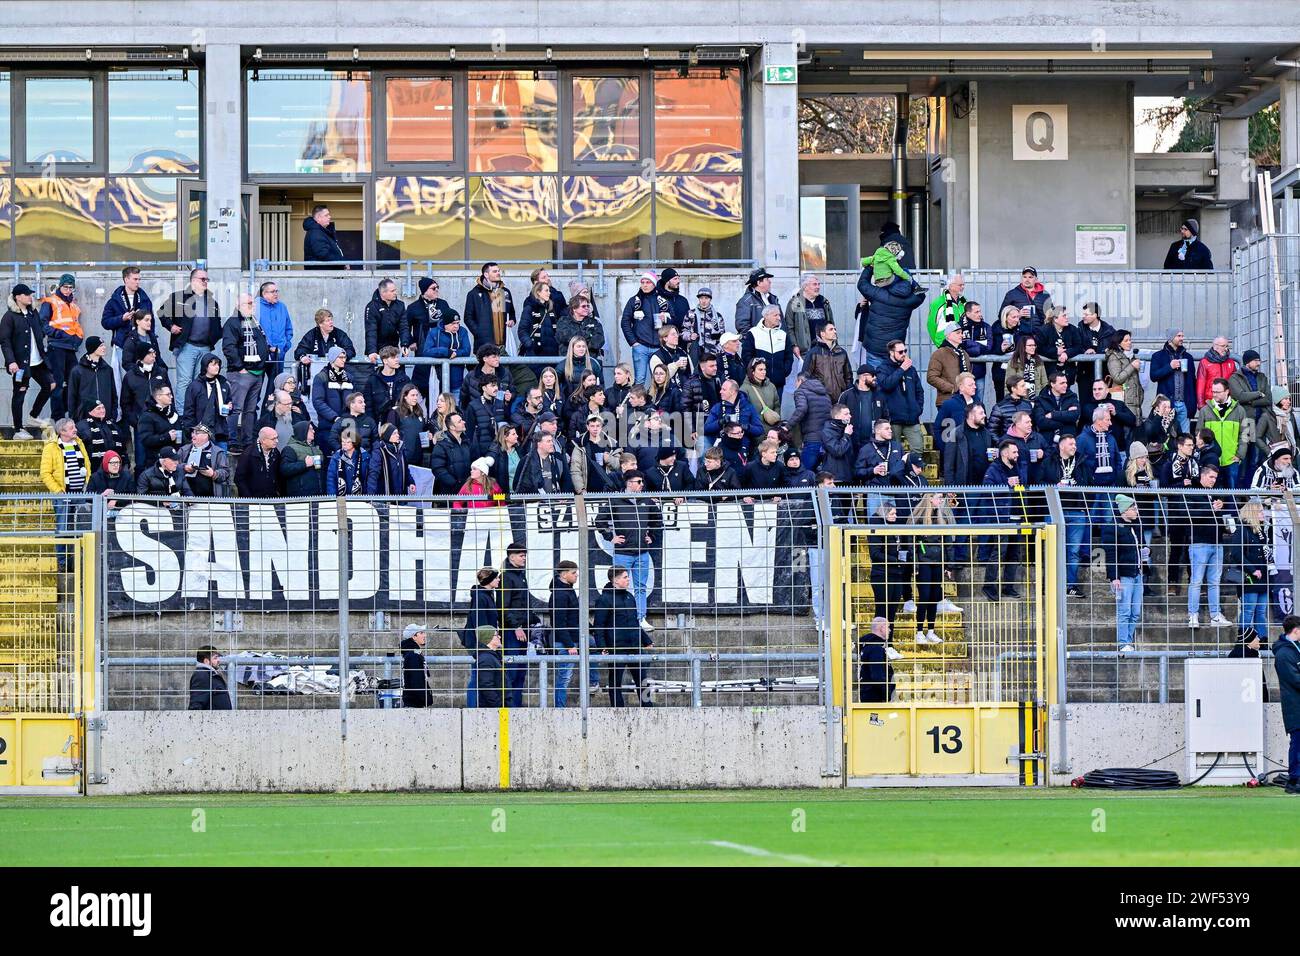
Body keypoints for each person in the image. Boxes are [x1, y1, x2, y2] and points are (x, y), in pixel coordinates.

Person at [595, 471, 662, 632]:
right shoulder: (616, 500)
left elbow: (657, 520)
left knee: (640, 586)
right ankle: (621, 619)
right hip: (622, 553)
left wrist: (651, 536)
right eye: (638, 482)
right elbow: (599, 520)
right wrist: (611, 537)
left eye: (642, 481)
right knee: (619, 586)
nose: (642, 484)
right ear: (629, 483)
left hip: (641, 553)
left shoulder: (647, 500)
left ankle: (640, 618)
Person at [158, 267, 220, 417]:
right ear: (193, 281)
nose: (205, 282)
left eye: (207, 279)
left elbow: (217, 324)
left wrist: (215, 336)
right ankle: (182, 415)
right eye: (202, 279)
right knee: (185, 382)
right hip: (187, 346)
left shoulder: (211, 301)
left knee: (202, 383)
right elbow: (161, 313)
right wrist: (171, 326)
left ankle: (198, 414)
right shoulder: (179, 297)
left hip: (205, 348)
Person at [594, 566, 654, 707]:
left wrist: (646, 640)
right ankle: (617, 709)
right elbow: (599, 626)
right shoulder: (604, 599)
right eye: (625, 577)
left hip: (634, 645)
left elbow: (634, 623)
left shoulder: (630, 597)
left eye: (628, 577)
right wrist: (602, 647)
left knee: (642, 679)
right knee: (615, 681)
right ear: (615, 580)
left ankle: (648, 708)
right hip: (616, 646)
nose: (628, 580)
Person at [220, 292, 272, 452]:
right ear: (238, 304)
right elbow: (229, 347)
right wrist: (240, 367)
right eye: (248, 303)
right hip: (241, 373)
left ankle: (248, 442)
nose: (252, 306)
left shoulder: (254, 322)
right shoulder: (233, 322)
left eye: (253, 303)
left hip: (257, 372)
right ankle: (232, 441)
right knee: (236, 408)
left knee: (250, 410)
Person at [1185, 464, 1234, 629]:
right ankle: (1193, 615)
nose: (1214, 481)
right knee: (1196, 581)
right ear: (1202, 476)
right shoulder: (1192, 491)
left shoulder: (1215, 493)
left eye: (1215, 478)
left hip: (1217, 542)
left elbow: (1215, 516)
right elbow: (1190, 515)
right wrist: (1211, 508)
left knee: (1214, 582)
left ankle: (1215, 615)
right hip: (1199, 542)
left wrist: (1221, 511)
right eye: (1211, 477)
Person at [1, 282, 53, 437]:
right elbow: (4, 341)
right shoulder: (9, 316)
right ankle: (18, 429)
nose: (31, 297)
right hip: (20, 365)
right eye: (27, 294)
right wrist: (11, 361)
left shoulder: (33, 313)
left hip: (37, 361)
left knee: (50, 384)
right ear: (18, 297)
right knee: (20, 393)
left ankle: (33, 416)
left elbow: (40, 332)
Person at [856, 261, 926, 372]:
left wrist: (870, 267)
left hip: (874, 348)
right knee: (893, 383)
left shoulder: (878, 294)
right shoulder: (909, 300)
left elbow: (862, 284)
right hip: (894, 350)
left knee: (876, 383)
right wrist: (910, 280)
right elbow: (921, 293)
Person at [909, 492, 958, 646]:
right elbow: (911, 544)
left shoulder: (941, 516)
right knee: (924, 597)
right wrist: (914, 564)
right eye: (939, 497)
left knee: (933, 598)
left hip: (938, 562)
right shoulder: (918, 519)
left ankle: (930, 630)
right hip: (923, 563)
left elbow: (948, 542)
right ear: (930, 499)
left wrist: (949, 565)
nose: (941, 500)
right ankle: (919, 632)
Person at [1099, 494, 1146, 654]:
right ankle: (1123, 642)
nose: (1137, 511)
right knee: (1124, 611)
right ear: (1124, 510)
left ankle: (1129, 640)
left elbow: (1142, 547)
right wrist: (1114, 577)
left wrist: (1147, 552)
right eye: (1133, 508)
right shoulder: (1112, 528)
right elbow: (1111, 554)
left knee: (1136, 612)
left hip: (1137, 573)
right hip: (1125, 575)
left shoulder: (1136, 525)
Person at [100, 266, 154, 390]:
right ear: (126, 279)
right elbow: (105, 322)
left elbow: (152, 323)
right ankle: (121, 409)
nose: (138, 282)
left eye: (139, 279)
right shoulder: (114, 300)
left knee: (144, 380)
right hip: (122, 344)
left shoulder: (145, 299)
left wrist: (151, 340)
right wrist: (121, 318)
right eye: (135, 279)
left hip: (142, 344)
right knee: (122, 381)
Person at [1195, 378, 1251, 488]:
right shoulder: (1204, 411)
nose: (1214, 394)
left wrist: (1240, 455)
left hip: (1232, 460)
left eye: (1218, 392)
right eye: (1213, 391)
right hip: (1211, 461)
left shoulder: (1240, 411)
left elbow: (1246, 434)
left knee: (1231, 496)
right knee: (1213, 496)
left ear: (1227, 391)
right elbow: (1198, 433)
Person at [867, 499, 908, 634]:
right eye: (892, 514)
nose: (895, 516)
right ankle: (879, 644)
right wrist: (895, 560)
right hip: (881, 574)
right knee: (882, 612)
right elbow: (875, 553)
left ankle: (889, 644)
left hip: (896, 574)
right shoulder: (876, 528)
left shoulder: (895, 528)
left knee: (892, 612)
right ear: (884, 514)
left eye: (895, 514)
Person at [876, 339, 924, 454]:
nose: (904, 354)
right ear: (892, 353)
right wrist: (901, 369)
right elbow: (886, 385)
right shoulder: (883, 368)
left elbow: (919, 391)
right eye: (900, 352)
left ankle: (912, 471)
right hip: (894, 419)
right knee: (894, 451)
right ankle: (898, 472)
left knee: (918, 448)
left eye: (905, 351)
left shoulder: (911, 370)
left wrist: (918, 409)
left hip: (912, 417)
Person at [1228, 349, 1271, 479]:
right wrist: (1258, 394)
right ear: (1247, 362)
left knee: (1257, 457)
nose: (1259, 363)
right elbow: (1240, 396)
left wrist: (1251, 402)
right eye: (1256, 360)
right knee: (1244, 456)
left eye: (1259, 360)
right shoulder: (1235, 377)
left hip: (1261, 422)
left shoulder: (1262, 377)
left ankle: (1255, 487)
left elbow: (1268, 399)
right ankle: (1243, 491)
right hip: (1246, 422)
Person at [1149, 327, 1197, 434]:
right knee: (1167, 435)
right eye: (1179, 336)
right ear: (1171, 338)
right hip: (1167, 404)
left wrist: (1193, 404)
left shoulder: (1188, 357)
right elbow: (1153, 376)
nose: (1182, 338)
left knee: (1185, 436)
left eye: (1182, 336)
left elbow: (1192, 382)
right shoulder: (1158, 356)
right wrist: (1169, 367)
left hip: (1184, 404)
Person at [621, 271, 665, 385]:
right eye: (642, 282)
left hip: (659, 348)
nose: (645, 285)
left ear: (654, 284)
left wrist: (665, 318)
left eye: (648, 282)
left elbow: (673, 319)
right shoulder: (634, 300)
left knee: (659, 381)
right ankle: (637, 402)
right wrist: (633, 342)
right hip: (641, 346)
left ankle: (657, 402)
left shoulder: (662, 300)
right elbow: (625, 322)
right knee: (640, 380)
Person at [180, 353, 233, 448]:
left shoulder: (223, 384)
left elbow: (229, 402)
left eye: (218, 364)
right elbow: (189, 410)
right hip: (201, 432)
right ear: (205, 366)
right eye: (213, 364)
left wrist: (230, 407)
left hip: (220, 432)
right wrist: (192, 431)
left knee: (221, 460)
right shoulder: (195, 386)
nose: (217, 367)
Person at [1273, 616, 1300, 793]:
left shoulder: (1294, 650)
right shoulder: (1284, 654)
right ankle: (1294, 780)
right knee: (1297, 744)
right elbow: (1294, 680)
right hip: (1294, 706)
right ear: (1296, 629)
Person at [549, 560, 581, 707]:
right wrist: (569, 645)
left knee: (594, 646)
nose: (577, 575)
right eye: (573, 573)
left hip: (572, 639)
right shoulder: (560, 594)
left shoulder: (568, 589)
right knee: (564, 677)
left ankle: (594, 681)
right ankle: (559, 709)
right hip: (565, 642)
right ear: (563, 574)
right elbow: (558, 623)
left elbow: (575, 616)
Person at [463, 262, 515, 350]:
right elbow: (468, 318)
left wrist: (512, 320)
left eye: (498, 271)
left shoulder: (505, 292)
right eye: (494, 271)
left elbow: (512, 313)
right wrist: (479, 333)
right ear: (486, 274)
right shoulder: (474, 294)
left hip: (504, 346)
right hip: (484, 346)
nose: (498, 273)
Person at [136, 384, 183, 477]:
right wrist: (166, 437)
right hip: (156, 463)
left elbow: (180, 434)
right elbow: (146, 440)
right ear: (158, 397)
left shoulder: (173, 413)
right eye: (168, 394)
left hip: (175, 461)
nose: (171, 396)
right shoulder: (147, 416)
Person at [942, 402, 993, 487]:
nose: (984, 415)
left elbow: (990, 459)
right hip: (964, 487)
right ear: (971, 416)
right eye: (981, 413)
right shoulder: (956, 434)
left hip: (985, 486)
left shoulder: (986, 434)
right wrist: (950, 487)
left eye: (984, 412)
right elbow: (948, 465)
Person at [787, 374, 831, 470]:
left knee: (804, 473)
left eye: (796, 382)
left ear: (800, 381)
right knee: (821, 476)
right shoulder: (825, 394)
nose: (795, 385)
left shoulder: (800, 391)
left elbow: (801, 409)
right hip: (826, 440)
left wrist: (787, 427)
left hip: (812, 439)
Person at [926, 321, 971, 409]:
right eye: (958, 333)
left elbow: (968, 375)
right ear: (948, 335)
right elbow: (931, 377)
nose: (961, 335)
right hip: (947, 400)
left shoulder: (964, 354)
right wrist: (952, 388)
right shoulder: (939, 353)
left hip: (965, 400)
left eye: (961, 333)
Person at [785, 273, 832, 358]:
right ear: (805, 287)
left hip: (824, 349)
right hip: (805, 351)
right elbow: (789, 327)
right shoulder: (796, 302)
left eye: (818, 284)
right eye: (814, 284)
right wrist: (794, 345)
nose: (818, 287)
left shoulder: (824, 302)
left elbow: (831, 323)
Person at [177, 424, 230, 497]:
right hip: (186, 499)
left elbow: (226, 473)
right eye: (192, 432)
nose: (193, 435)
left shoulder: (218, 452)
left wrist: (213, 474)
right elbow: (173, 468)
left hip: (210, 500)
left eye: (197, 433)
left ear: (206, 436)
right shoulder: (183, 450)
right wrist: (184, 467)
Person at [988, 304, 1027, 402]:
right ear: (1005, 318)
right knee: (1002, 398)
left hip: (1018, 369)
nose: (1017, 320)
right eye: (1013, 317)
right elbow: (990, 348)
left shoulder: (1021, 329)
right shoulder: (996, 329)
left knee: (1020, 398)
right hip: (1001, 370)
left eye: (1018, 317)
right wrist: (1000, 348)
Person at [839, 364, 882, 452]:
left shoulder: (878, 395)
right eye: (872, 375)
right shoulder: (847, 395)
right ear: (863, 377)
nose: (875, 378)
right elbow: (838, 418)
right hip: (851, 442)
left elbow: (885, 416)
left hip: (873, 442)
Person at [365, 346, 412, 425]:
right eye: (393, 358)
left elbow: (410, 401)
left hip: (401, 420)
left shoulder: (404, 379)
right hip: (379, 422)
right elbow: (368, 406)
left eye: (397, 357)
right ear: (385, 361)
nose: (397, 360)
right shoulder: (373, 380)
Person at [1104, 329, 1144, 421]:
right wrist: (1132, 366)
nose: (1129, 342)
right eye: (1126, 341)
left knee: (1135, 429)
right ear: (1118, 343)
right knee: (1126, 430)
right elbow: (1117, 378)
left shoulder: (1130, 356)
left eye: (1130, 340)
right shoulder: (1114, 357)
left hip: (1135, 401)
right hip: (1123, 400)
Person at [1032, 371, 1081, 445]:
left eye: (1066, 382)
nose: (1065, 385)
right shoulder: (1040, 399)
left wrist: (1053, 415)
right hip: (1048, 443)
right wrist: (1064, 421)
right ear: (1052, 384)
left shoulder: (1072, 397)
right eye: (1062, 383)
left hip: (1068, 442)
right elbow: (1041, 422)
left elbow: (1074, 415)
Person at [998, 266, 1052, 331]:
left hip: (1040, 334)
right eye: (1024, 277)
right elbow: (1001, 315)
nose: (1027, 280)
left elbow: (1051, 314)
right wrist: (1018, 315)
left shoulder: (1045, 295)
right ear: (1021, 278)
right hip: (1019, 334)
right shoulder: (1012, 294)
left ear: (1036, 279)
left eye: (1030, 277)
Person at [430, 412, 473, 494]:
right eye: (460, 421)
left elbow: (474, 462)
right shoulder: (442, 445)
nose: (464, 422)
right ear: (452, 427)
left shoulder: (467, 442)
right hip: (450, 492)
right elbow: (437, 468)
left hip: (468, 490)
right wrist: (454, 483)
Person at [366, 422, 413, 495]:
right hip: (385, 498)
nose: (398, 435)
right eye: (394, 433)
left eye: (397, 433)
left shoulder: (401, 450)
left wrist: (410, 482)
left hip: (401, 497)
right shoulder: (379, 452)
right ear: (387, 435)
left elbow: (406, 470)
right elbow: (373, 475)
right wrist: (370, 496)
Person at [364, 279, 405, 362]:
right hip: (378, 350)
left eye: (395, 290)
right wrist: (372, 351)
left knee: (398, 373)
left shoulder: (400, 305)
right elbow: (371, 331)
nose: (395, 293)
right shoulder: (372, 307)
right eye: (392, 291)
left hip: (394, 348)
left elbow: (404, 326)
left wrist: (405, 344)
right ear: (383, 293)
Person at [856, 617, 896, 703]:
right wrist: (887, 695)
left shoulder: (867, 646)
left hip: (869, 695)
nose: (890, 630)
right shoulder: (875, 648)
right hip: (876, 698)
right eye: (888, 627)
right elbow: (877, 676)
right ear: (882, 628)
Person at [556, 293, 605, 361]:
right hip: (568, 361)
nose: (587, 308)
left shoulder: (594, 322)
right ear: (574, 308)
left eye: (588, 306)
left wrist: (582, 344)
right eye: (583, 306)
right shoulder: (563, 321)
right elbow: (565, 337)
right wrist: (588, 336)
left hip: (589, 361)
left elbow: (599, 341)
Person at [281, 420, 325, 496]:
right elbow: (285, 469)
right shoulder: (290, 448)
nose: (314, 431)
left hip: (319, 493)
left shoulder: (316, 448)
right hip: (300, 496)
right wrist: (305, 464)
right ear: (303, 431)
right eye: (311, 429)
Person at [236, 427, 283, 498]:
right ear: (263, 440)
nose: (277, 441)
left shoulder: (276, 453)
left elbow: (278, 476)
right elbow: (239, 479)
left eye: (277, 438)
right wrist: (249, 498)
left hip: (272, 498)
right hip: (253, 500)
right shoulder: (248, 454)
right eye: (273, 439)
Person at [734, 267, 780, 336]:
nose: (770, 282)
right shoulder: (746, 301)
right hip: (757, 344)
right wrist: (754, 341)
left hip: (776, 343)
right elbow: (742, 327)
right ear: (759, 283)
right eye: (767, 279)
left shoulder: (773, 299)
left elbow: (781, 321)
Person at [684, 287, 725, 364]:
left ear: (710, 299)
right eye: (701, 298)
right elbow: (683, 332)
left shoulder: (717, 316)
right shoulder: (691, 314)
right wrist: (690, 336)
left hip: (712, 355)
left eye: (706, 298)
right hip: (695, 353)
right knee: (695, 374)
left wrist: (718, 351)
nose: (703, 301)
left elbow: (722, 337)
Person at [1195, 336, 1237, 411]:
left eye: (1227, 346)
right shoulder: (1205, 362)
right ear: (1215, 346)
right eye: (1223, 346)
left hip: (1227, 402)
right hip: (1210, 402)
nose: (1226, 349)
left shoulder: (1231, 362)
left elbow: (1235, 383)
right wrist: (1201, 404)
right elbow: (1200, 384)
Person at [1257, 386, 1300, 458]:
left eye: (1289, 399)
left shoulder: (1291, 415)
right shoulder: (1267, 416)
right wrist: (1269, 452)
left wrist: (1297, 449)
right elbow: (1257, 437)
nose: (1289, 401)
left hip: (1291, 455)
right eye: (1285, 399)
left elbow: (1296, 436)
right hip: (1275, 457)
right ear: (1278, 400)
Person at [926, 274, 967, 348]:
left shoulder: (964, 302)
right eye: (960, 285)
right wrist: (939, 344)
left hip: (962, 344)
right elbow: (931, 326)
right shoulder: (938, 303)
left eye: (963, 285)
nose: (963, 287)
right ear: (951, 286)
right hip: (945, 346)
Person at [326, 428, 369, 497]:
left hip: (361, 499)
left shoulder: (365, 457)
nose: (344, 444)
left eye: (348, 442)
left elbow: (367, 479)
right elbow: (331, 479)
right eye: (343, 441)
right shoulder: (336, 457)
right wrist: (332, 498)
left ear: (355, 443)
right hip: (341, 499)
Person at [988, 373, 1032, 439]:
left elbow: (1033, 428)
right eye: (1022, 386)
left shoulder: (1028, 405)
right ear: (1013, 389)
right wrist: (1003, 445)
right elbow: (992, 431)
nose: (1025, 388)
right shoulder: (999, 407)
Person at [399, 623, 432, 708]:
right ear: (414, 637)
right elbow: (416, 681)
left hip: (414, 704)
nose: (425, 635)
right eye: (421, 633)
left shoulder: (413, 654)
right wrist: (426, 699)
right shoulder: (413, 656)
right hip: (415, 706)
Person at [473, 625, 506, 709]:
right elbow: (486, 686)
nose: (500, 636)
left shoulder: (493, 656)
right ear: (488, 638)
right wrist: (499, 706)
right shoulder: (486, 659)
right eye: (496, 635)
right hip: (494, 711)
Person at [1006, 335, 1048, 401]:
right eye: (1030, 345)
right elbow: (1008, 384)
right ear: (1023, 347)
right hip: (1019, 401)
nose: (1033, 347)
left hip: (1037, 399)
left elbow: (1044, 383)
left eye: (1034, 345)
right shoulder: (1014, 362)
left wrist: (1044, 399)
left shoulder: (1039, 361)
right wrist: (1010, 401)